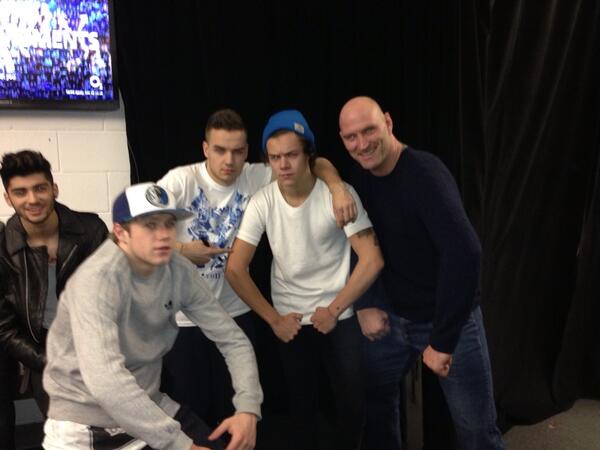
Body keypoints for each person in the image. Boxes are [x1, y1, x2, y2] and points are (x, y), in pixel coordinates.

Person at [157, 108, 357, 426]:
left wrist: (337, 187)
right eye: (220, 150)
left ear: (247, 151)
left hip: (234, 315)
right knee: (189, 416)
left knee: (239, 414)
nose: (229, 160)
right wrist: (183, 250)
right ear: (205, 148)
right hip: (185, 318)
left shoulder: (256, 175)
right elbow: (132, 234)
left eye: (238, 151)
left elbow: (313, 162)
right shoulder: (180, 181)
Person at [338, 96, 506, 450]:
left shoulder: (424, 174)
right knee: (376, 411)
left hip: (445, 319)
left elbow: (466, 254)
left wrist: (443, 340)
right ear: (343, 140)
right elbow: (359, 244)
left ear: (388, 122)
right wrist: (365, 302)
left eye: (369, 130)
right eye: (351, 137)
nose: (362, 143)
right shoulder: (360, 177)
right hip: (391, 317)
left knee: (476, 431)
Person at [42, 182, 263, 450]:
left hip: (148, 404)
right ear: (121, 233)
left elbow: (233, 339)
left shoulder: (178, 270)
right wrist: (183, 446)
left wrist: (248, 408)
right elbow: (106, 381)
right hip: (85, 422)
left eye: (168, 224)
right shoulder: (96, 280)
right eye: (149, 225)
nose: (163, 235)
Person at [225, 110, 384, 450]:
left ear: (308, 154)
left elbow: (372, 259)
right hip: (291, 319)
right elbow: (235, 269)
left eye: (292, 155)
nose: (283, 165)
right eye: (275, 158)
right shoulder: (263, 201)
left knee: (352, 405)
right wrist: (273, 320)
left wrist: (335, 308)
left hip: (339, 314)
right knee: (301, 409)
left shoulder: (339, 195)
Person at [0, 150, 108, 449]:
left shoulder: (90, 230)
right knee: (70, 437)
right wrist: (50, 362)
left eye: (40, 188)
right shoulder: (3, 247)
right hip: (43, 353)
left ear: (54, 189)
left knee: (117, 432)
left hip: (97, 345)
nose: (32, 199)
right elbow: (4, 328)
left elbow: (113, 297)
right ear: (8, 198)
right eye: (20, 192)